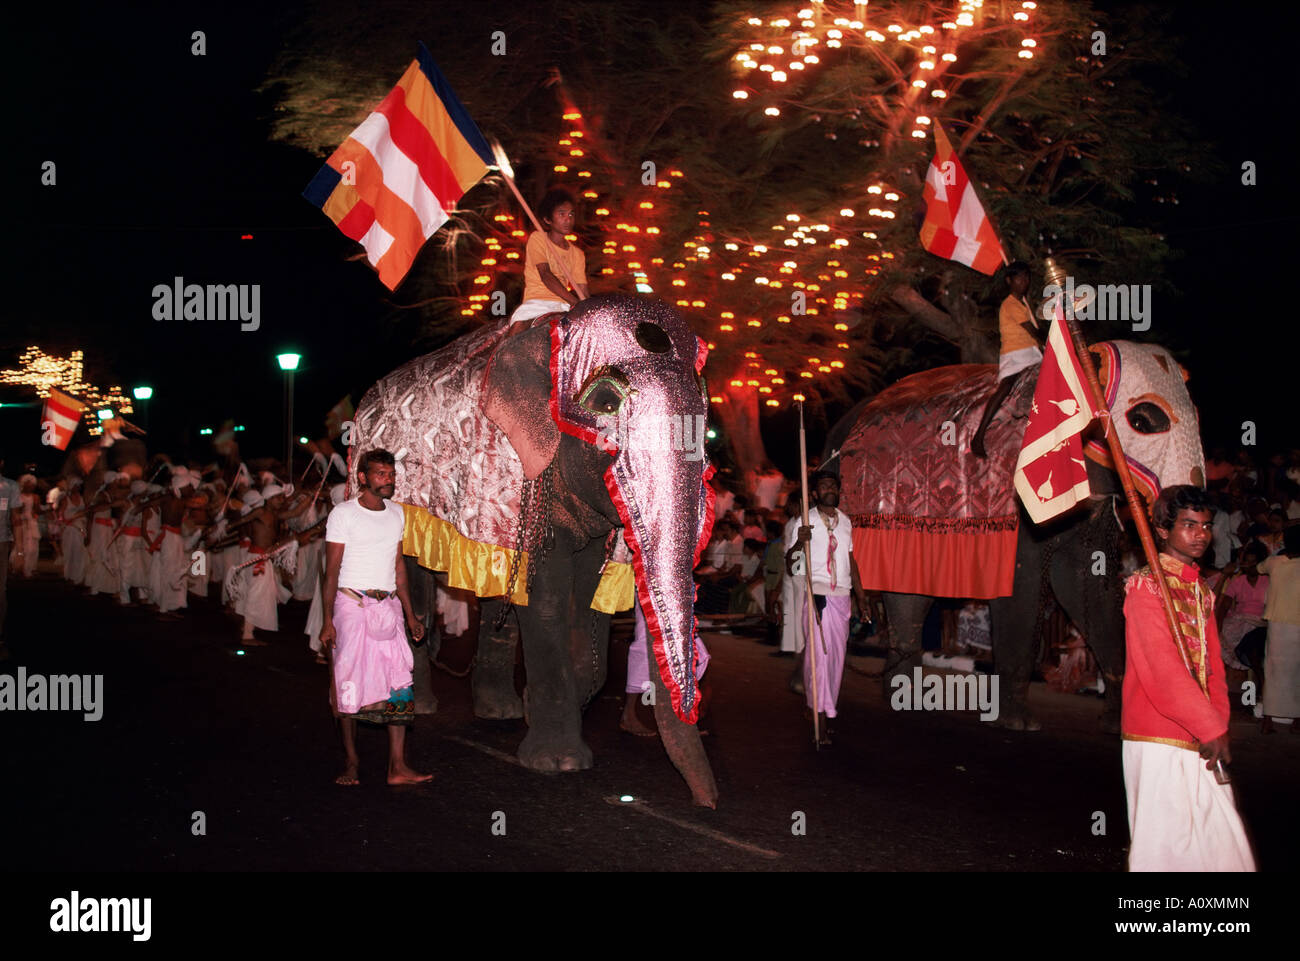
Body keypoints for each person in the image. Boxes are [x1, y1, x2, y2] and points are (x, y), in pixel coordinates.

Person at [1120, 484, 1255, 871]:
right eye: (1189, 525)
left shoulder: (1201, 590)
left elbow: (1213, 666)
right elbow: (1161, 671)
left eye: (1207, 526)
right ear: (1162, 531)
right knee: (1165, 843)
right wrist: (1209, 725)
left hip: (1205, 732)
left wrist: (1218, 722)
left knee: (1218, 837)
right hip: (1158, 732)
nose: (1200, 534)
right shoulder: (1146, 587)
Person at [319, 450, 432, 786]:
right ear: (363, 478)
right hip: (352, 606)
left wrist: (410, 615)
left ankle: (397, 766)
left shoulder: (396, 514)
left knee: (400, 683)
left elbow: (399, 568)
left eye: (391, 473)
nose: (389, 479)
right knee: (348, 685)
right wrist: (328, 620)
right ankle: (352, 762)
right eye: (381, 474)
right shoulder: (344, 514)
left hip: (389, 608)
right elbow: (332, 570)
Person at [786, 472, 868, 746]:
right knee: (818, 655)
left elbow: (849, 559)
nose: (829, 489)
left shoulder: (845, 522)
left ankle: (827, 704)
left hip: (842, 596)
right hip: (817, 592)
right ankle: (817, 709)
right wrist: (800, 542)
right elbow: (792, 565)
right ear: (815, 493)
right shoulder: (804, 521)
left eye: (833, 485)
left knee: (836, 656)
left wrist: (861, 595)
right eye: (824, 486)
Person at [972, 260, 1043, 458]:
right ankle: (979, 435)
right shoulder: (1011, 304)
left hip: (1031, 352)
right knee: (1006, 385)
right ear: (1009, 280)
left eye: (1026, 277)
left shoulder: (1023, 304)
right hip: (1016, 354)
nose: (1024, 281)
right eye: (1019, 277)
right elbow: (1031, 331)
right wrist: (1047, 339)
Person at [620, 599, 710, 737]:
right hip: (651, 588)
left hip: (673, 588)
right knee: (647, 648)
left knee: (684, 648)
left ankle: (679, 717)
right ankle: (630, 715)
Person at [509, 188, 588, 327]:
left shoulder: (577, 254)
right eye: (562, 214)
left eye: (571, 214)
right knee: (516, 332)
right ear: (547, 219)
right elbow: (545, 275)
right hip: (536, 305)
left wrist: (588, 308)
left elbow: (583, 290)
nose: (567, 219)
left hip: (564, 307)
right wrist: (576, 303)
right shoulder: (538, 238)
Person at [1257, 525, 1300, 735]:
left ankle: (1267, 720)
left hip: (1278, 624)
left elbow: (1258, 568)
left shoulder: (1274, 562)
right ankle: (1297, 721)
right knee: (1297, 672)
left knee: (1273, 671)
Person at [0, 457, 22, 656]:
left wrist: (20, 550)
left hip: (2, 543)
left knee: (0, 591)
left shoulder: (10, 487)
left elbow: (16, 519)